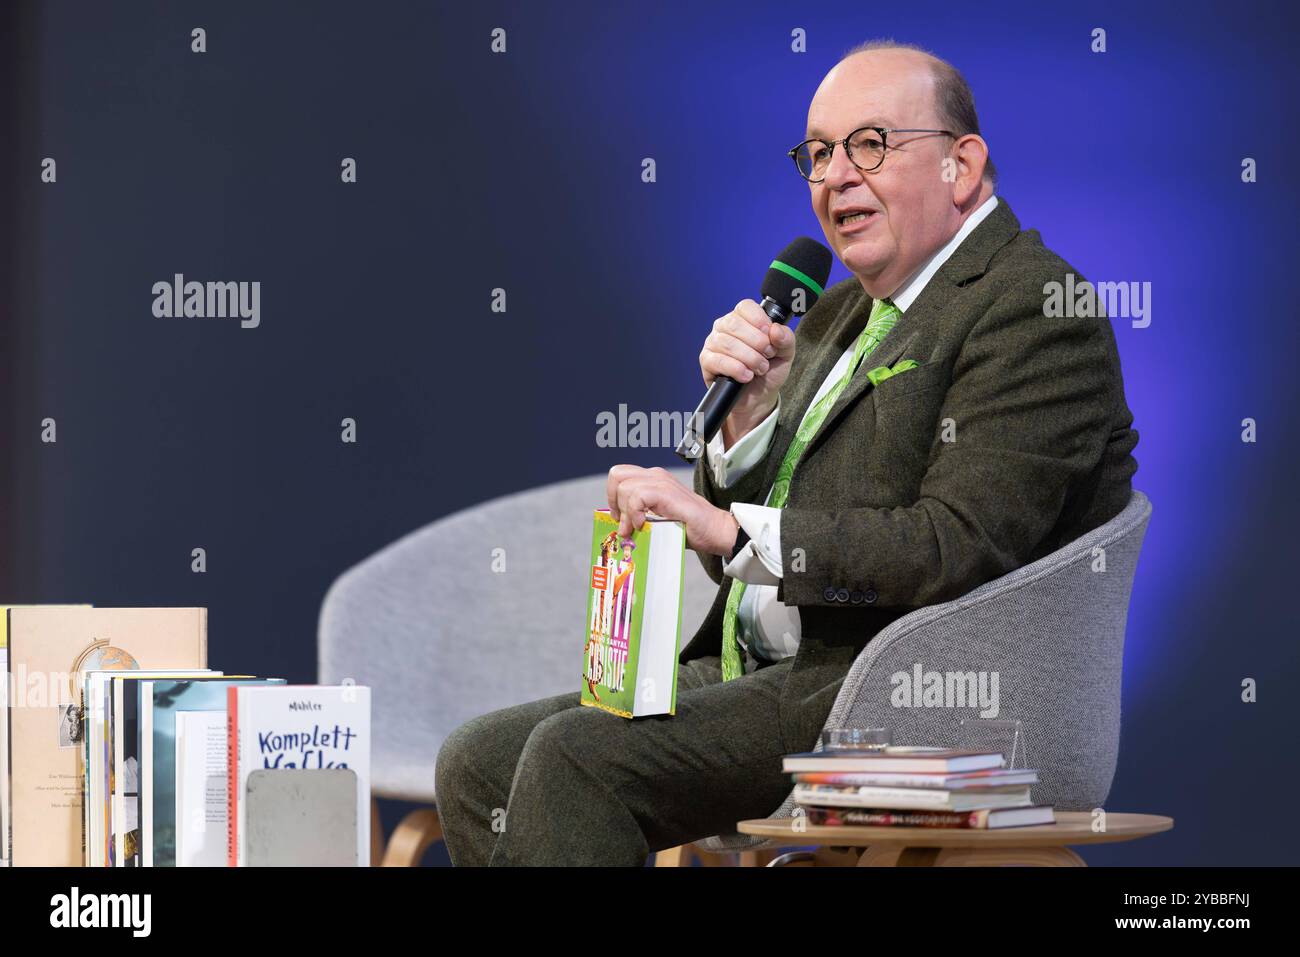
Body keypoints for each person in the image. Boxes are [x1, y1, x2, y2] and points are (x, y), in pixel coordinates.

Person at [434, 39, 1139, 866]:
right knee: (477, 762)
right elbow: (766, 544)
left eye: (870, 144)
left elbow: (956, 544)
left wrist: (732, 533)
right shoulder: (838, 313)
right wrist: (747, 424)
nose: (836, 175)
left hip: (898, 687)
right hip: (769, 667)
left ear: (962, 164)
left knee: (574, 759)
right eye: (819, 153)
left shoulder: (1033, 307)